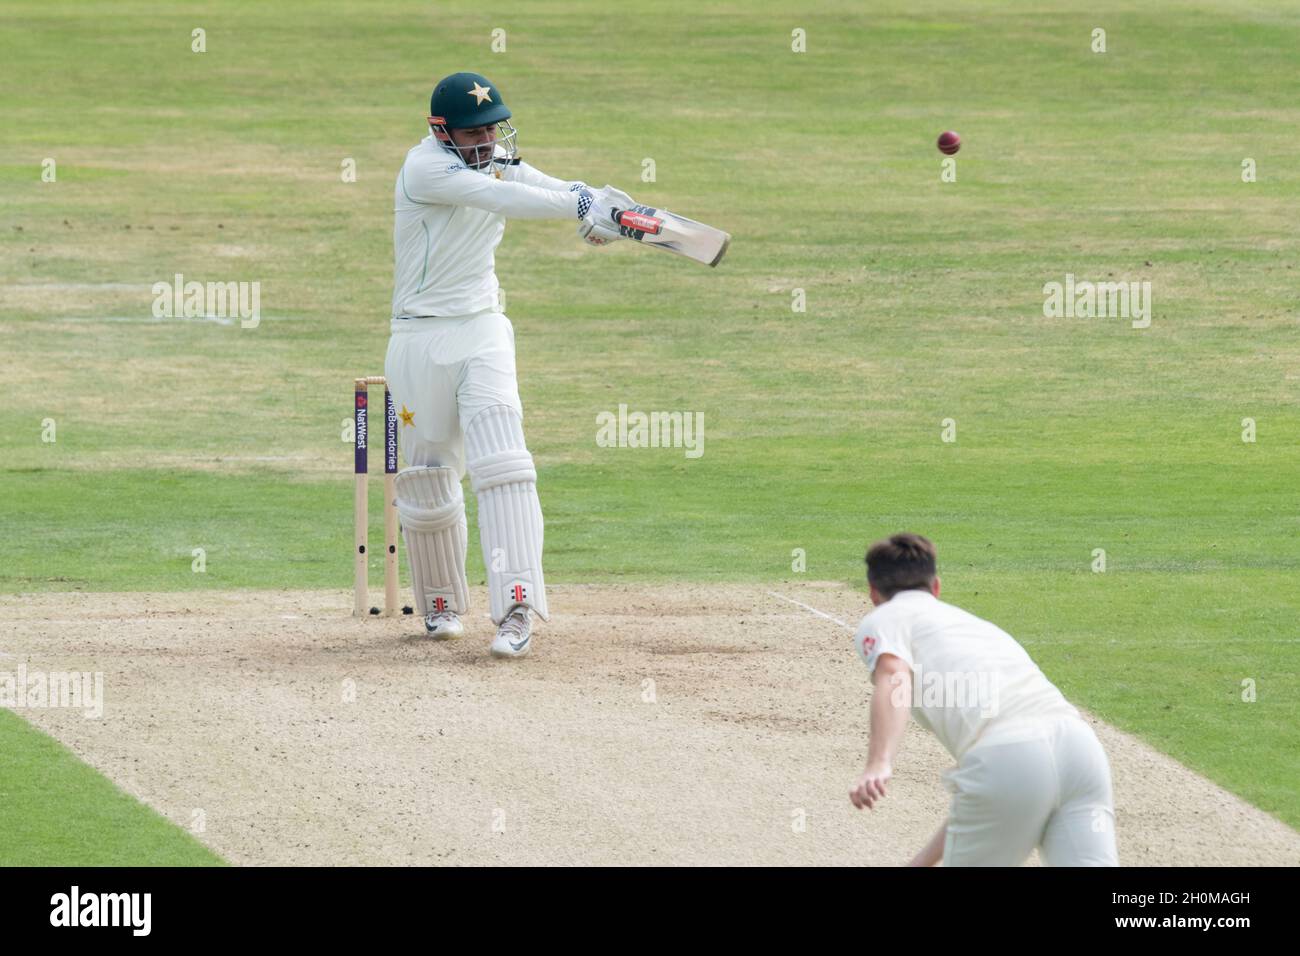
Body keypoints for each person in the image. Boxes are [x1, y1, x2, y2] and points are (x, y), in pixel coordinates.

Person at [384, 71, 633, 658]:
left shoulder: (494, 159)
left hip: (483, 330)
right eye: (475, 132)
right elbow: (504, 198)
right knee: (427, 471)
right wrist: (577, 204)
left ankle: (517, 606)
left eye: (493, 128)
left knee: (504, 461)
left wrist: (598, 206)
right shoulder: (426, 170)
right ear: (439, 131)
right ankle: (441, 601)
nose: (488, 141)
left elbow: (540, 184)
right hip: (418, 337)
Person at [847, 533, 1118, 866]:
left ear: (873, 593)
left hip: (1009, 759)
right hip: (1081, 752)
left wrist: (879, 762)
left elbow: (894, 676)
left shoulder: (884, 618)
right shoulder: (980, 630)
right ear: (936, 587)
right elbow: (987, 796)